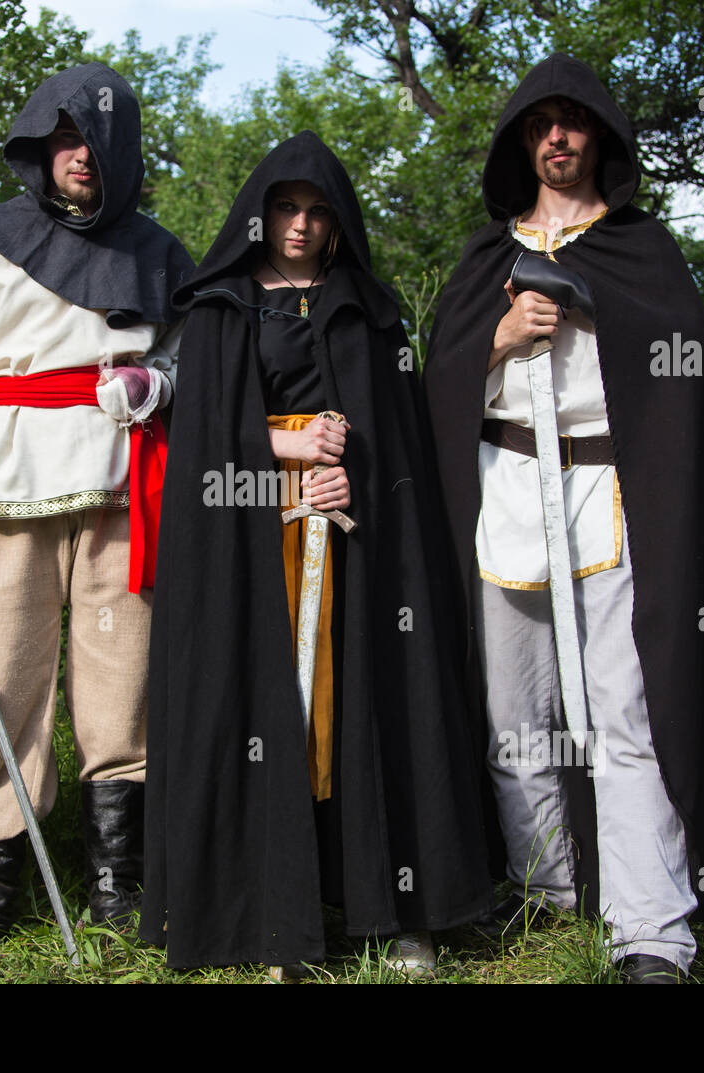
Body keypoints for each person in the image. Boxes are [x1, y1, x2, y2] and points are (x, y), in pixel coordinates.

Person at [424, 53, 704, 982]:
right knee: (513, 717)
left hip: (611, 497)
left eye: (574, 121)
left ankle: (651, 929)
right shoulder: (487, 259)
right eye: (541, 124)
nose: (558, 137)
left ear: (598, 135)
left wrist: (598, 320)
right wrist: (495, 339)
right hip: (506, 491)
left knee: (625, 713)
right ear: (524, 140)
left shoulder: (641, 250)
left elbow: (683, 373)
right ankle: (545, 890)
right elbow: (432, 386)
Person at [140, 130, 494, 975]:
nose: (299, 225)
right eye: (285, 208)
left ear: (338, 222)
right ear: (260, 215)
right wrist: (285, 451)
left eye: (316, 211)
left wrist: (355, 474)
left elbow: (403, 436)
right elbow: (197, 442)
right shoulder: (220, 307)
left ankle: (395, 907)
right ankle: (268, 912)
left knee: (370, 704)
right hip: (252, 545)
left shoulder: (367, 310)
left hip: (354, 549)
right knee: (263, 714)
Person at [0, 62, 194, 978]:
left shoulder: (160, 253)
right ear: (41, 147)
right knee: (2, 689)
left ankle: (118, 883)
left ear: (119, 151)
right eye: (63, 140)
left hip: (119, 484)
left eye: (94, 142)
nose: (80, 157)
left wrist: (159, 380)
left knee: (124, 687)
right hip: (5, 488)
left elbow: (190, 357)